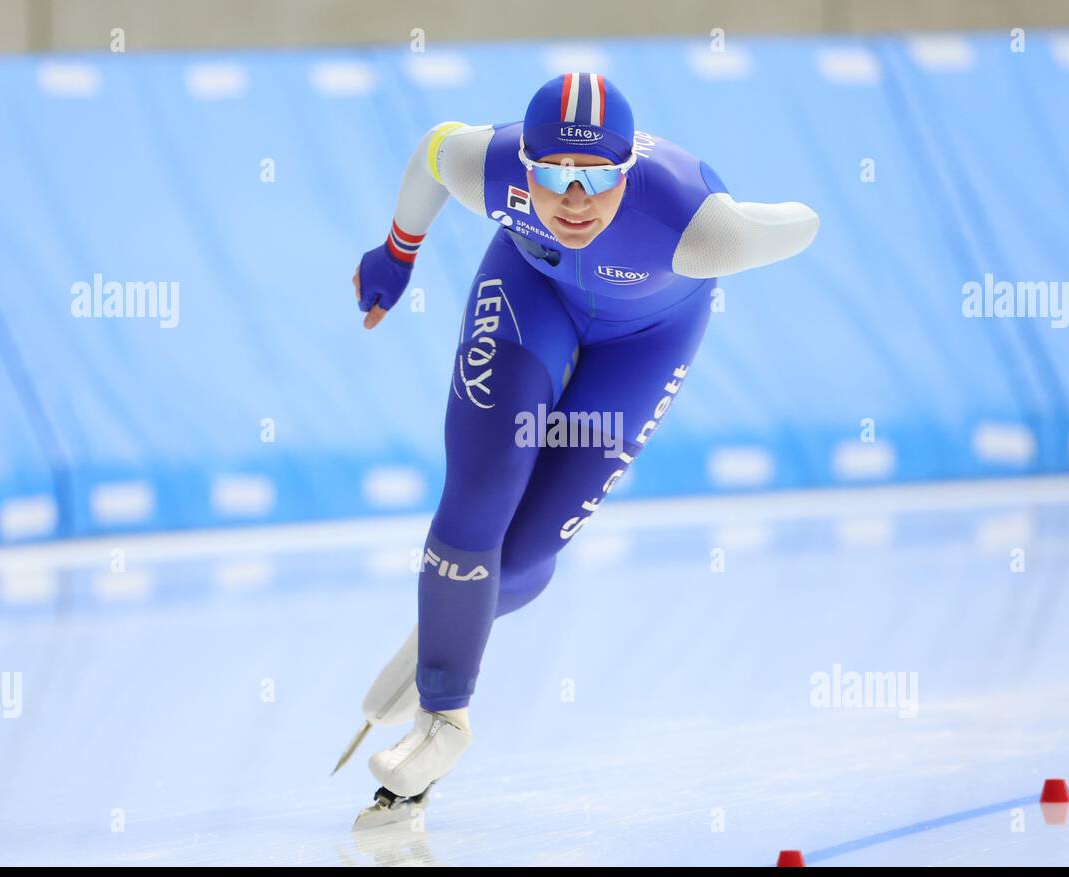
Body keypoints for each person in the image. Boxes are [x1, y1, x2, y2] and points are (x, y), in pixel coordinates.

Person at [347, 72, 819, 820]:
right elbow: (433, 153)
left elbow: (800, 224)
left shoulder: (702, 231)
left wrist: (775, 214)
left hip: (644, 343)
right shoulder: (489, 167)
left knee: (527, 551)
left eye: (598, 178)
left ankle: (452, 623)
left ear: (627, 171)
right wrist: (396, 253)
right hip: (531, 296)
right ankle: (443, 718)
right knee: (479, 490)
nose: (573, 199)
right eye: (554, 175)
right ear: (523, 164)